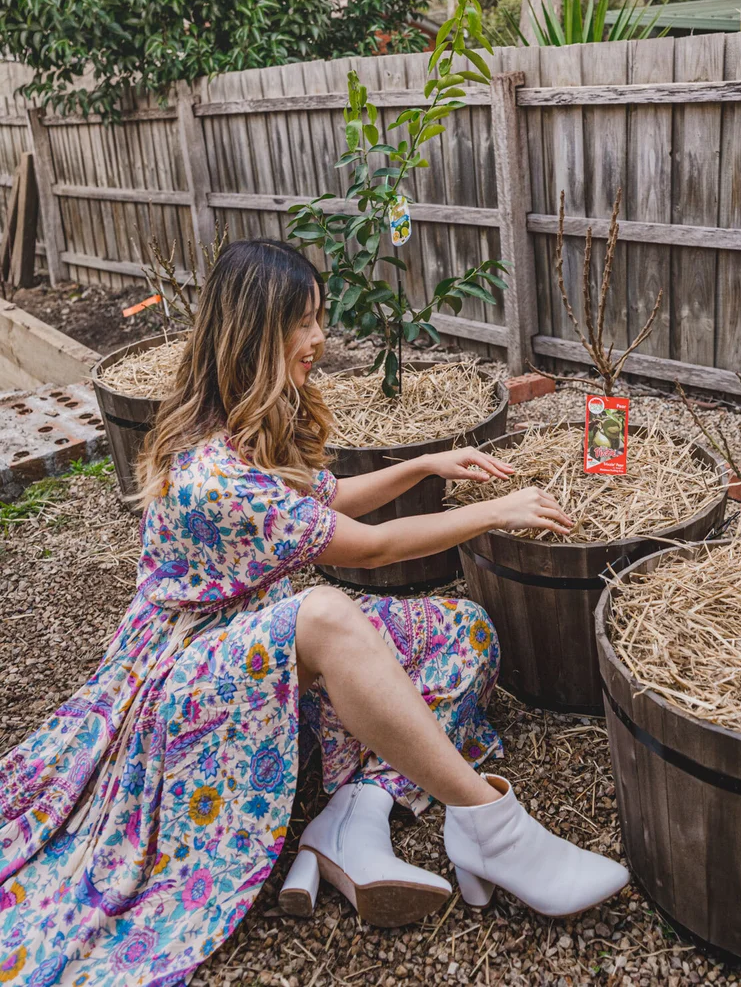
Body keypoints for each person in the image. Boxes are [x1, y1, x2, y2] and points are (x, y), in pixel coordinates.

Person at [0, 239, 628, 986]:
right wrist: (497, 511)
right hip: (182, 675)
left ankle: (350, 821)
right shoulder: (212, 475)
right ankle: (492, 829)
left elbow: (324, 501)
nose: (320, 339)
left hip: (252, 635)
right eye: (304, 322)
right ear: (255, 328)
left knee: (463, 630)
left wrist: (426, 464)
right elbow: (366, 548)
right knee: (327, 612)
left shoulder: (235, 425)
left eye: (320, 318)